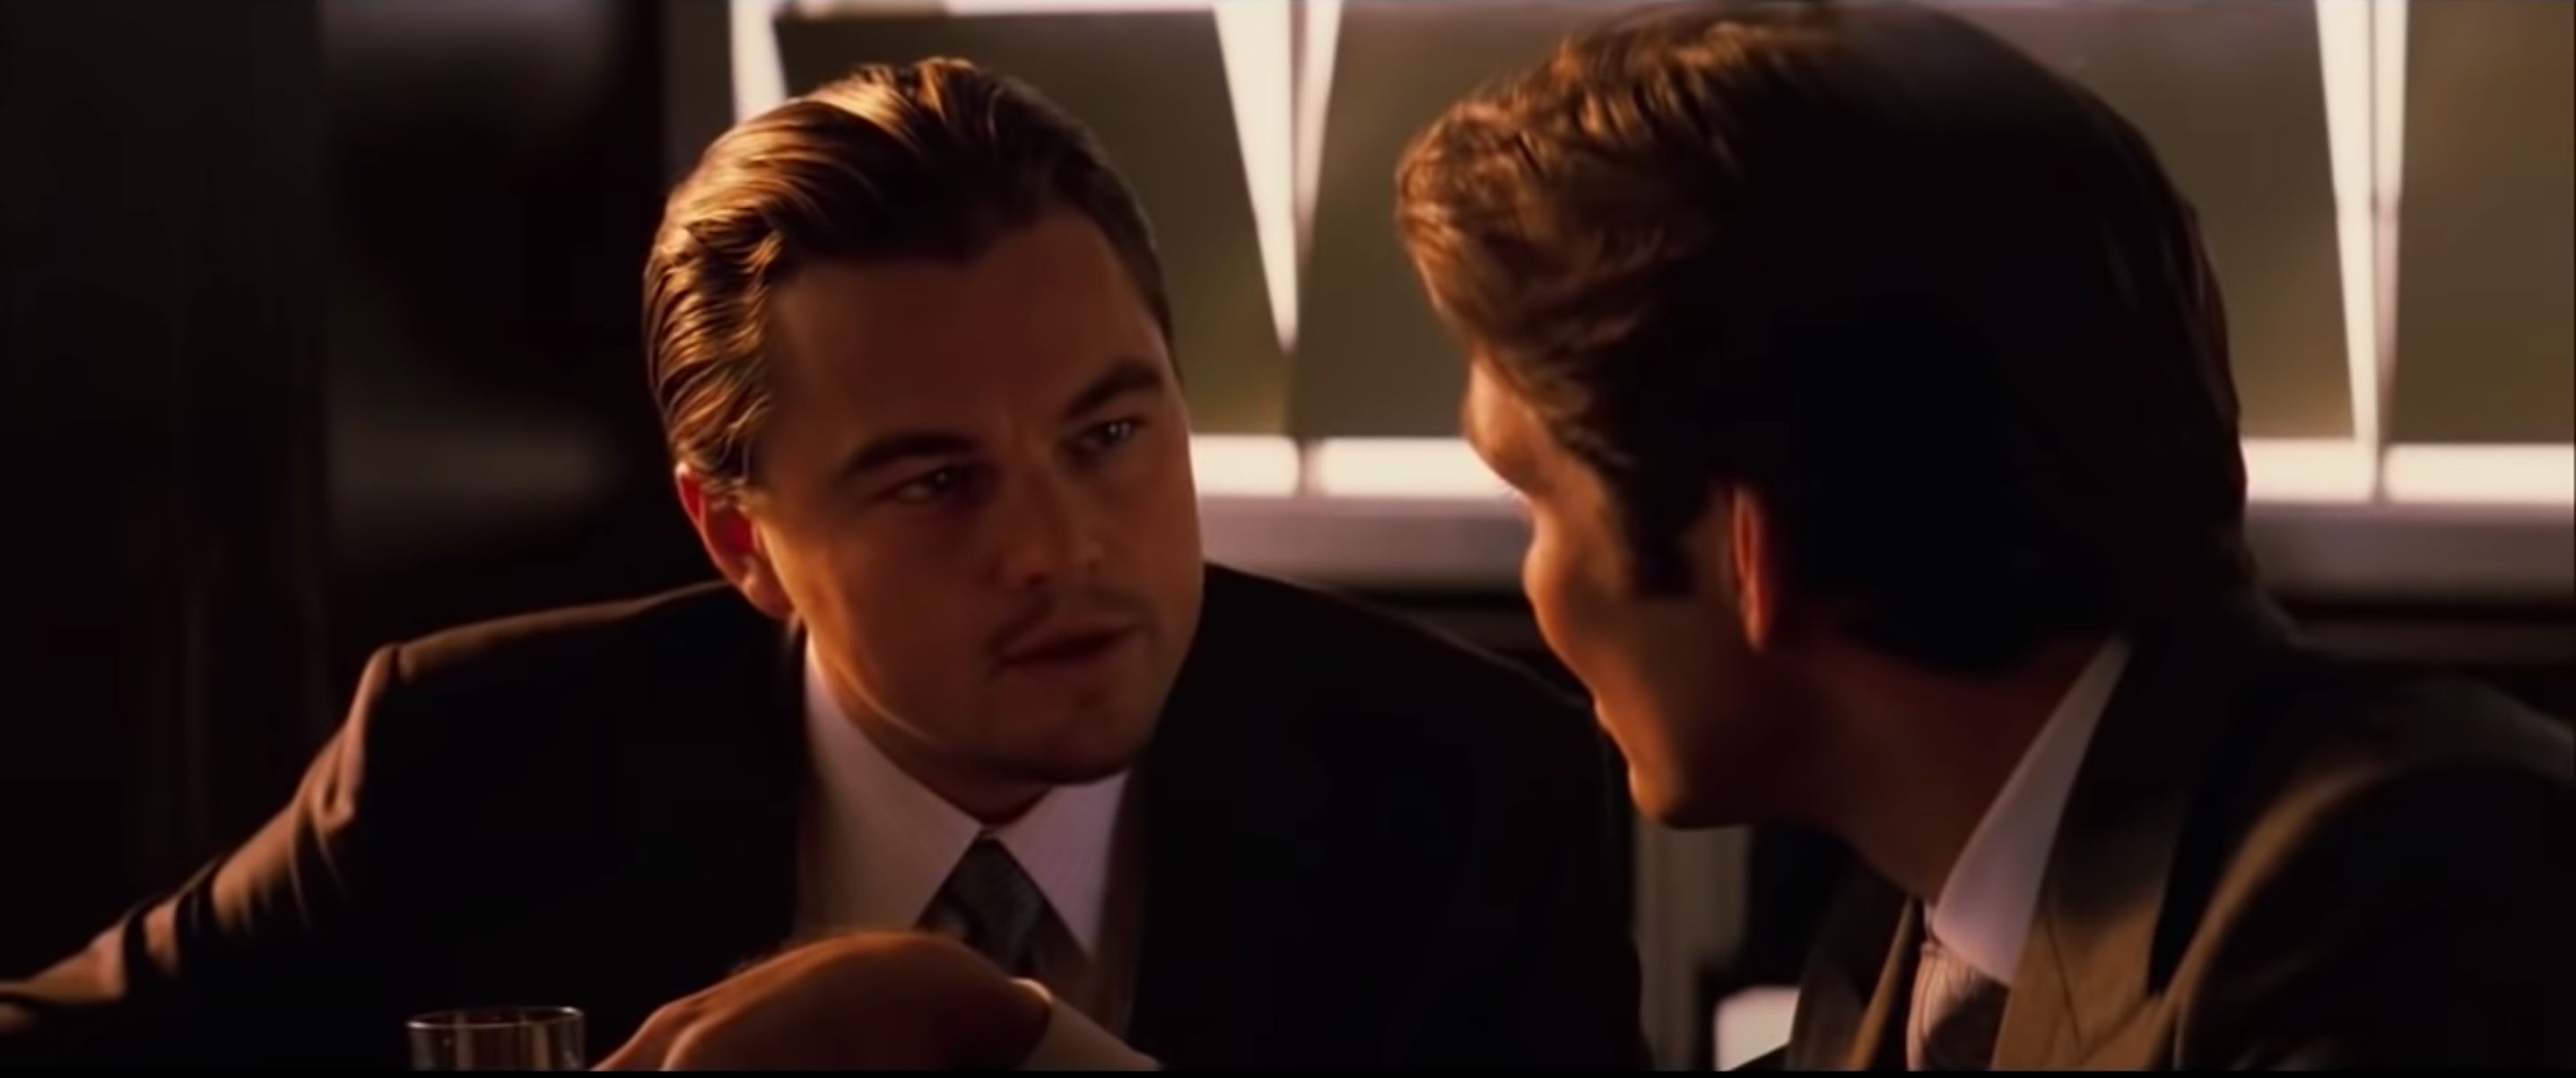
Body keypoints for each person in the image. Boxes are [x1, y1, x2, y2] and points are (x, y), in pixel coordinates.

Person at [591, 2, 2576, 1071]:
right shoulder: (1918, 943)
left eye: (1529, 493)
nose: (1530, 595)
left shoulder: (2408, 895)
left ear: (1746, 550)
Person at [0, 58, 1649, 1070]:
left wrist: (1008, 1041)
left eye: (1108, 432)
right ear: (742, 538)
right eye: (935, 481)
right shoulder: (479, 757)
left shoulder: (1462, 788)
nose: (1060, 545)